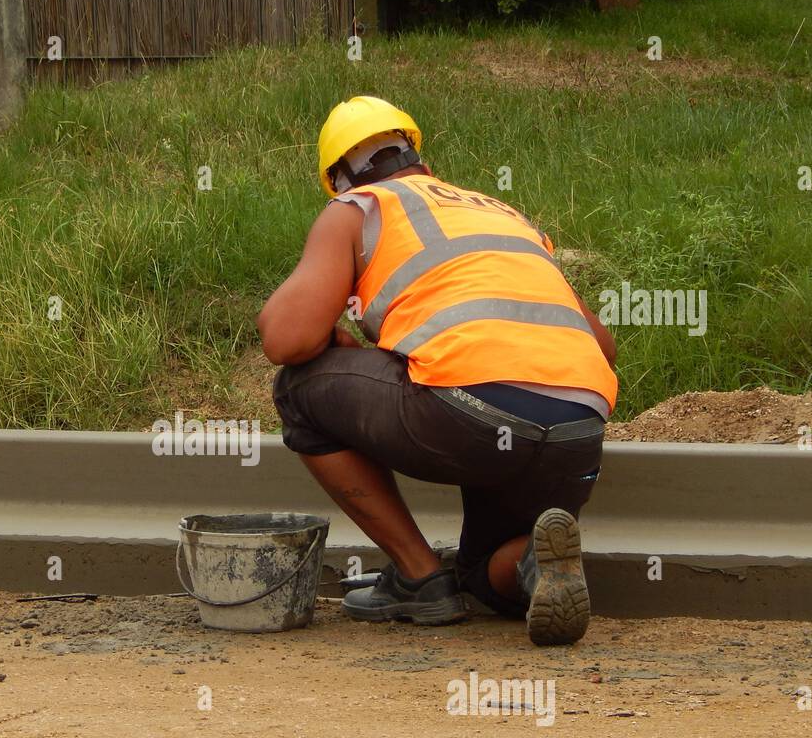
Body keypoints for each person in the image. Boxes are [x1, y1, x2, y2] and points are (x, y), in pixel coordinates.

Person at [256, 96, 618, 646]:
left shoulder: (361, 208)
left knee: (300, 390)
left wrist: (335, 340)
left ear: (338, 178)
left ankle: (419, 577)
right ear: (414, 153)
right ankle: (533, 564)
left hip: (469, 414)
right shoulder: (502, 212)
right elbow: (603, 346)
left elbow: (285, 339)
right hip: (577, 429)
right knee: (482, 574)